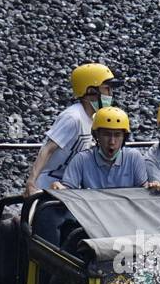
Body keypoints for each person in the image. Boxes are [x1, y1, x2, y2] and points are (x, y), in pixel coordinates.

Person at [25, 62, 117, 195]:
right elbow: (48, 149)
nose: (110, 94)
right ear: (91, 91)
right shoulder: (73, 118)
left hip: (68, 185)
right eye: (107, 89)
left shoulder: (93, 118)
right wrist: (31, 182)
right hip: (48, 183)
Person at [60, 107, 160, 192]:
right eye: (106, 134)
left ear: (124, 137)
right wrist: (59, 188)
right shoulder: (81, 159)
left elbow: (143, 189)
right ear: (96, 135)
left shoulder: (133, 157)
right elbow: (67, 191)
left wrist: (154, 187)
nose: (112, 141)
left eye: (117, 135)